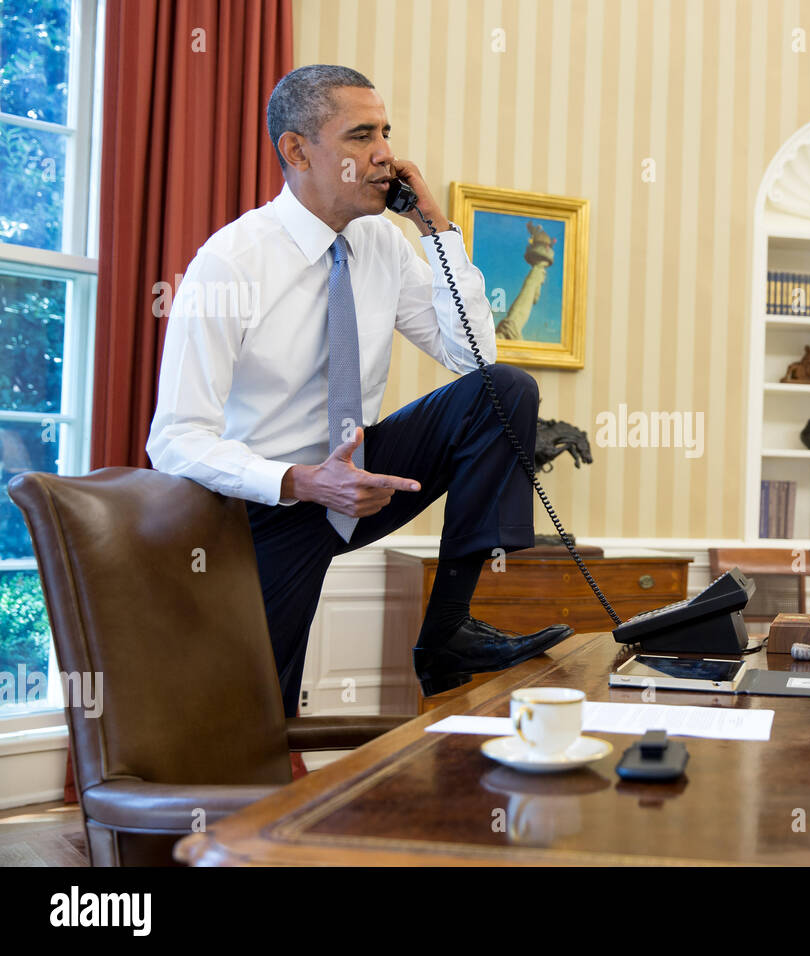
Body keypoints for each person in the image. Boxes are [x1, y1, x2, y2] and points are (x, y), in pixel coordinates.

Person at [147, 65, 571, 715]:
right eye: (360, 135)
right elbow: (173, 439)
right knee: (257, 712)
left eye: (386, 132)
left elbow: (475, 358)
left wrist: (439, 234)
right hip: (264, 510)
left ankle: (448, 633)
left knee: (502, 390)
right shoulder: (230, 264)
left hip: (362, 479)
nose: (385, 155)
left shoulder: (383, 243)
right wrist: (301, 481)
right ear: (296, 151)